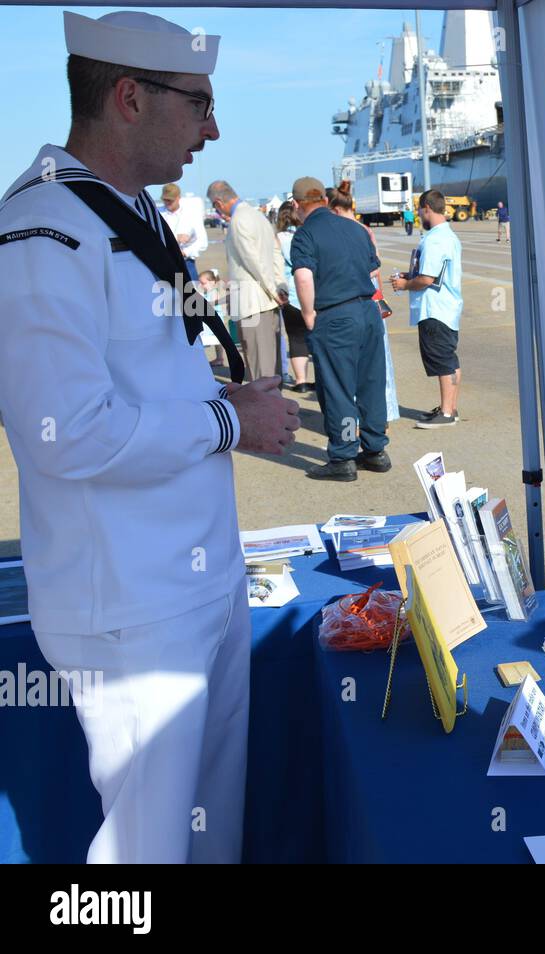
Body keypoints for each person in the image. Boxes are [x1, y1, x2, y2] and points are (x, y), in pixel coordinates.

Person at [0, 10, 299, 863]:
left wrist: (220, 394)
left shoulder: (120, 212)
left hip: (191, 579)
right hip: (131, 603)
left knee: (209, 832)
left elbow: (140, 378)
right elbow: (68, 431)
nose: (214, 127)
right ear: (130, 97)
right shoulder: (44, 231)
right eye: (199, 103)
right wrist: (227, 419)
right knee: (146, 849)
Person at [290, 175, 389, 481]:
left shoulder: (305, 235)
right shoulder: (355, 228)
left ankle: (344, 455)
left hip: (335, 315)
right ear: (325, 199)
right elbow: (374, 267)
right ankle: (375, 450)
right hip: (367, 311)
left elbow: (304, 276)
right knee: (372, 384)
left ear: (296, 205)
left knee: (338, 389)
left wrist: (308, 314)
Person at [391, 189, 463, 429]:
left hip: (434, 308)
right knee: (449, 359)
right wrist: (409, 275)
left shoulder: (433, 240)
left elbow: (427, 279)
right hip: (448, 307)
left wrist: (404, 284)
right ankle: (450, 408)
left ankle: (446, 413)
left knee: (442, 360)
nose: (419, 214)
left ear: (426, 209)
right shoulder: (449, 236)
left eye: (419, 210)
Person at [329, 180, 399, 422]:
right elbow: (376, 265)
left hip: (356, 297)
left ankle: (362, 418)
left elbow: (372, 266)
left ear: (336, 210)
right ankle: (382, 414)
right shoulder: (363, 229)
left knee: (356, 360)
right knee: (376, 359)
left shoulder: (348, 231)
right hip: (370, 296)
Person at [207, 178, 287, 381]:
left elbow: (253, 262)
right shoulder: (258, 216)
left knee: (260, 371)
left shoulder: (238, 220)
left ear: (218, 203)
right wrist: (280, 286)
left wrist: (273, 290)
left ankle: (269, 411)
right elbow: (276, 253)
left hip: (253, 305)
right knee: (272, 366)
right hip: (269, 302)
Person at [274, 203, 312, 393]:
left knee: (296, 338)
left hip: (286, 293)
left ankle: (301, 380)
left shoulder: (278, 238)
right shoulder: (304, 235)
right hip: (307, 292)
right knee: (313, 337)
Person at [159, 181, 206, 280]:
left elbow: (202, 242)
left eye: (170, 200)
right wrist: (176, 239)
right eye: (165, 200)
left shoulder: (191, 214)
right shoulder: (157, 214)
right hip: (164, 262)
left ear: (178, 198)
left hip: (186, 263)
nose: (167, 203)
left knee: (190, 294)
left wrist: (185, 252)